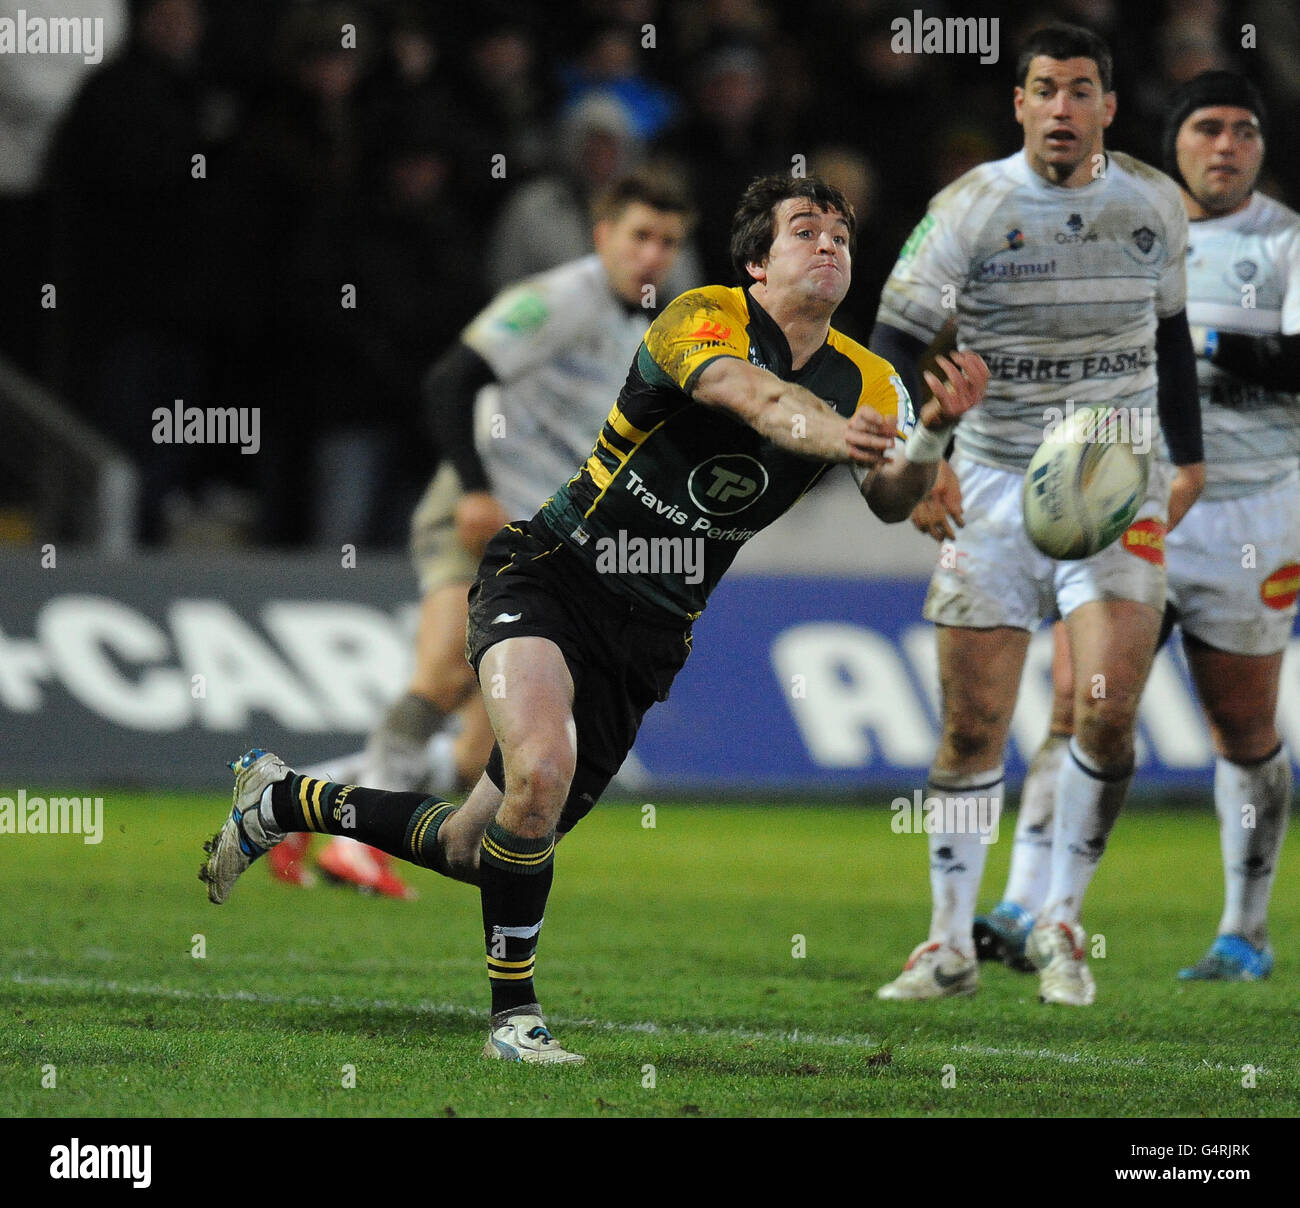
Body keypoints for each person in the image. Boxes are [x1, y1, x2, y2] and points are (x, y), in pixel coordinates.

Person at [200, 173, 989, 1062]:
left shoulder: (871, 377)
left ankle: (282, 799)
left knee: (478, 843)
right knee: (539, 773)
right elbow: (754, 398)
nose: (830, 244)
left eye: (842, 234)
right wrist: (833, 430)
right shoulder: (700, 317)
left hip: (653, 632)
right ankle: (515, 1023)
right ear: (757, 264)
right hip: (554, 572)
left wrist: (928, 437)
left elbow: (892, 501)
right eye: (806, 229)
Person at [870, 22, 1205, 1006]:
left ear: (1107, 105)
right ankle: (946, 943)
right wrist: (918, 455)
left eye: (1081, 90)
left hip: (1113, 479)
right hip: (990, 478)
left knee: (1106, 711)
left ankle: (1060, 918)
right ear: (1017, 104)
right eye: (1044, 89)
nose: (1062, 107)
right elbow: (886, 345)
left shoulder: (1152, 204)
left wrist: (1186, 460)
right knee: (972, 723)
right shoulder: (967, 208)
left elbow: (1174, 338)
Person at [279, 170, 692, 895]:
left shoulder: (644, 330)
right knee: (440, 673)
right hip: (476, 508)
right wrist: (474, 485)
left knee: (479, 754)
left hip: (538, 542)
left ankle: (304, 799)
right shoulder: (559, 298)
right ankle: (355, 849)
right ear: (603, 236)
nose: (653, 255)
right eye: (640, 236)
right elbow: (451, 379)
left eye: (668, 242)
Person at [973, 71, 1297, 984]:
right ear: (1175, 141)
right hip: (1129, 504)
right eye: (1207, 128)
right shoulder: (1126, 233)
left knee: (1242, 727)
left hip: (1252, 508)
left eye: (1244, 130)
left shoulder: (1286, 244)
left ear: (1262, 146)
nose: (1226, 145)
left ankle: (1245, 931)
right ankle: (1029, 903)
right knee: (1080, 696)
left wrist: (1200, 343)